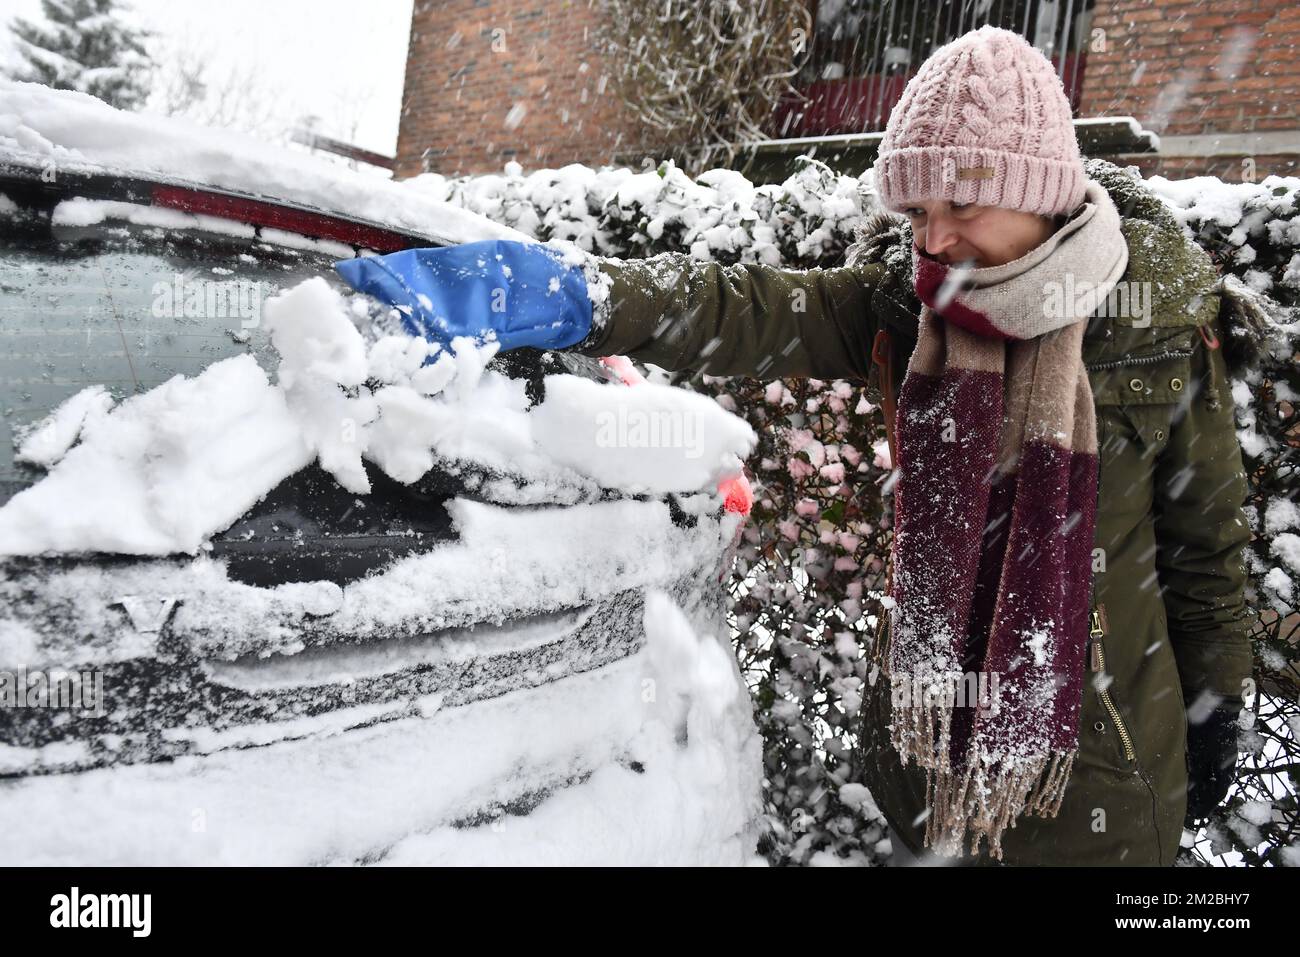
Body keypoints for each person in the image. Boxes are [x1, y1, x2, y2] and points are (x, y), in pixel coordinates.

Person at [336, 25, 1255, 866]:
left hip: (1097, 779)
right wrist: (585, 294)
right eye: (917, 211)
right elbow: (746, 308)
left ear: (1040, 195)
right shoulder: (913, 305)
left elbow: (1205, 553)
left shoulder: (1160, 324)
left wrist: (1215, 713)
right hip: (929, 762)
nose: (934, 237)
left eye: (962, 203)